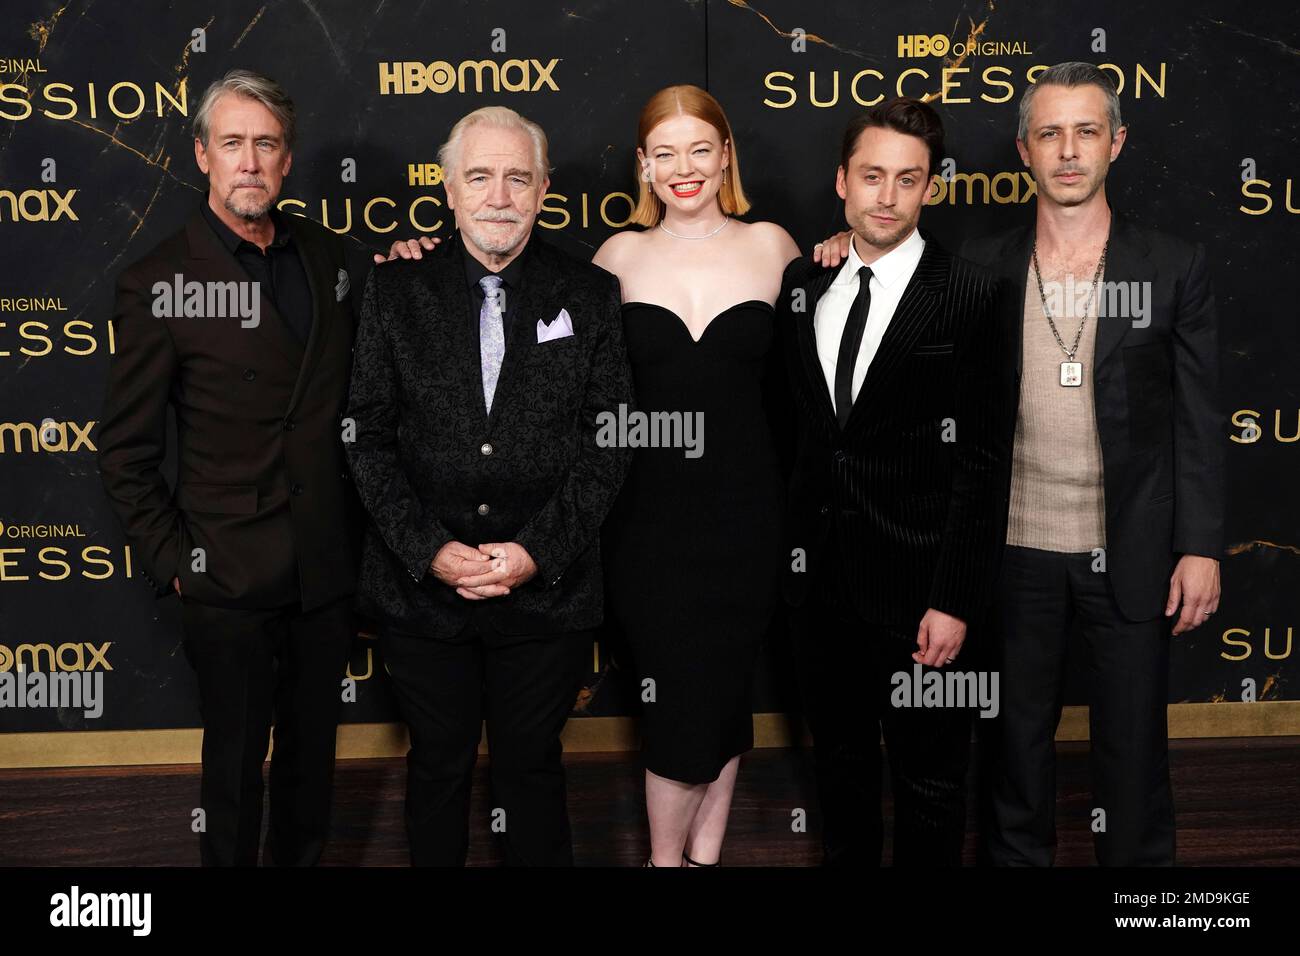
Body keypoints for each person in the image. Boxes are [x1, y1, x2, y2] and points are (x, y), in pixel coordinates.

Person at [344, 105, 634, 866]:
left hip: (547, 595)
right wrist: (430, 550)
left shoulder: (592, 293)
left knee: (531, 771)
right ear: (448, 188)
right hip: (422, 594)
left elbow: (609, 444)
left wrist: (538, 551)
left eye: (516, 177)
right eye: (480, 176)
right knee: (436, 769)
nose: (498, 194)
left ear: (543, 189)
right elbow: (365, 438)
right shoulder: (394, 289)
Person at [97, 70, 364, 866]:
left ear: (287, 162)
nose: (250, 162)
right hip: (225, 575)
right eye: (234, 144)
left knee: (311, 771)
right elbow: (125, 449)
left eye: (267, 145)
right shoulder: (157, 281)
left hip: (322, 568)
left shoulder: (334, 260)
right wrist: (178, 563)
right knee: (234, 775)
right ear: (203, 156)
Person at [961, 62, 1223, 865]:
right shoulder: (979, 265)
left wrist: (1202, 545)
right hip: (1012, 550)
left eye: (1085, 131)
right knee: (1014, 756)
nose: (1068, 151)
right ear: (1022, 150)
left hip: (1134, 549)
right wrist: (841, 244)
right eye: (1049, 133)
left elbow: (1198, 418)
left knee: (1134, 759)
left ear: (1117, 141)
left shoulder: (1173, 264)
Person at [781, 97, 1016, 866]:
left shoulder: (972, 293)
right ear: (842, 181)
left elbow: (983, 463)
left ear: (930, 188)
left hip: (923, 596)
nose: (887, 196)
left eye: (907, 179)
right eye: (872, 176)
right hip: (821, 592)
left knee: (930, 783)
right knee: (840, 771)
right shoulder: (802, 283)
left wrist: (954, 599)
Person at [591, 85, 799, 867]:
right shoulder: (617, 256)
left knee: (726, 691)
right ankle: (663, 865)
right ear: (644, 166)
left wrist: (848, 250)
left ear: (724, 157)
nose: (685, 169)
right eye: (666, 153)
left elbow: (802, 391)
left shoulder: (777, 246)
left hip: (750, 516)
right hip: (647, 524)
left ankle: (704, 859)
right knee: (680, 700)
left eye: (699, 150)